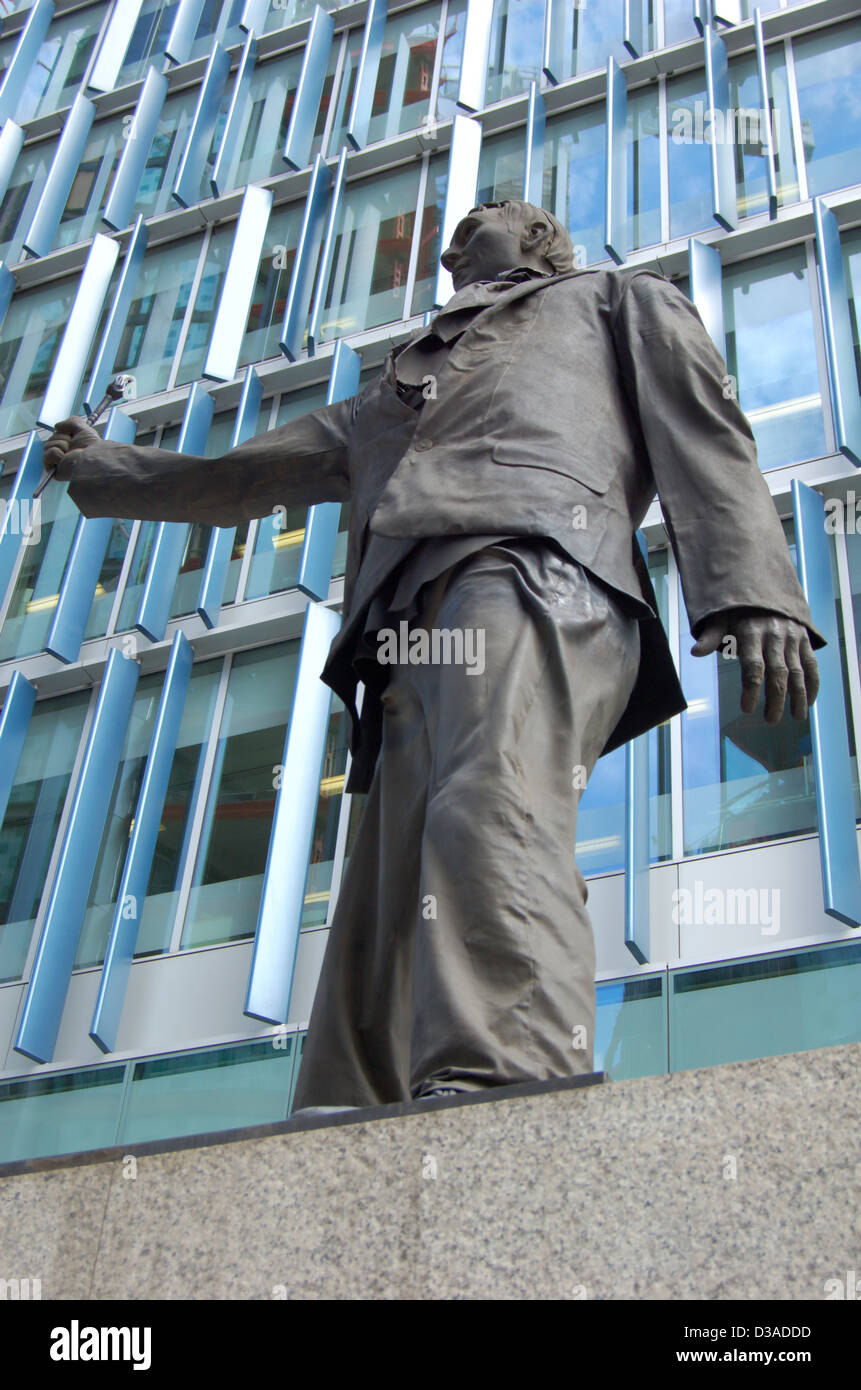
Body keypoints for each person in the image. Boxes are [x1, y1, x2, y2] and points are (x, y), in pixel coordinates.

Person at [43, 200, 822, 1114]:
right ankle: (355, 1106)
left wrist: (751, 591)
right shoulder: (388, 392)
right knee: (390, 878)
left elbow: (705, 432)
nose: (451, 244)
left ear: (539, 238)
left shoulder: (615, 298)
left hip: (534, 564)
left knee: (490, 799)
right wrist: (110, 468)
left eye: (477, 223)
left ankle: (508, 1070)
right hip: (404, 621)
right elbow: (241, 477)